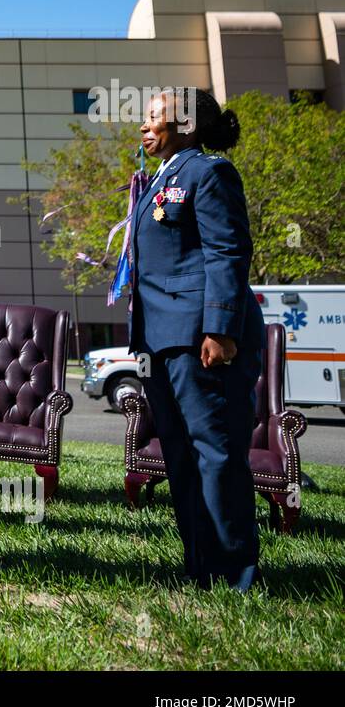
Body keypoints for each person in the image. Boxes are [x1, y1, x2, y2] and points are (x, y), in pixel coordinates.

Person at [130, 88, 263, 591]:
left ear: (184, 125)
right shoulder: (157, 181)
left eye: (153, 119)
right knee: (182, 455)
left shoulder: (209, 173)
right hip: (162, 340)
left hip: (201, 338)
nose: (144, 127)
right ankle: (200, 568)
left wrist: (220, 330)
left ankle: (235, 574)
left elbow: (227, 252)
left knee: (217, 452)